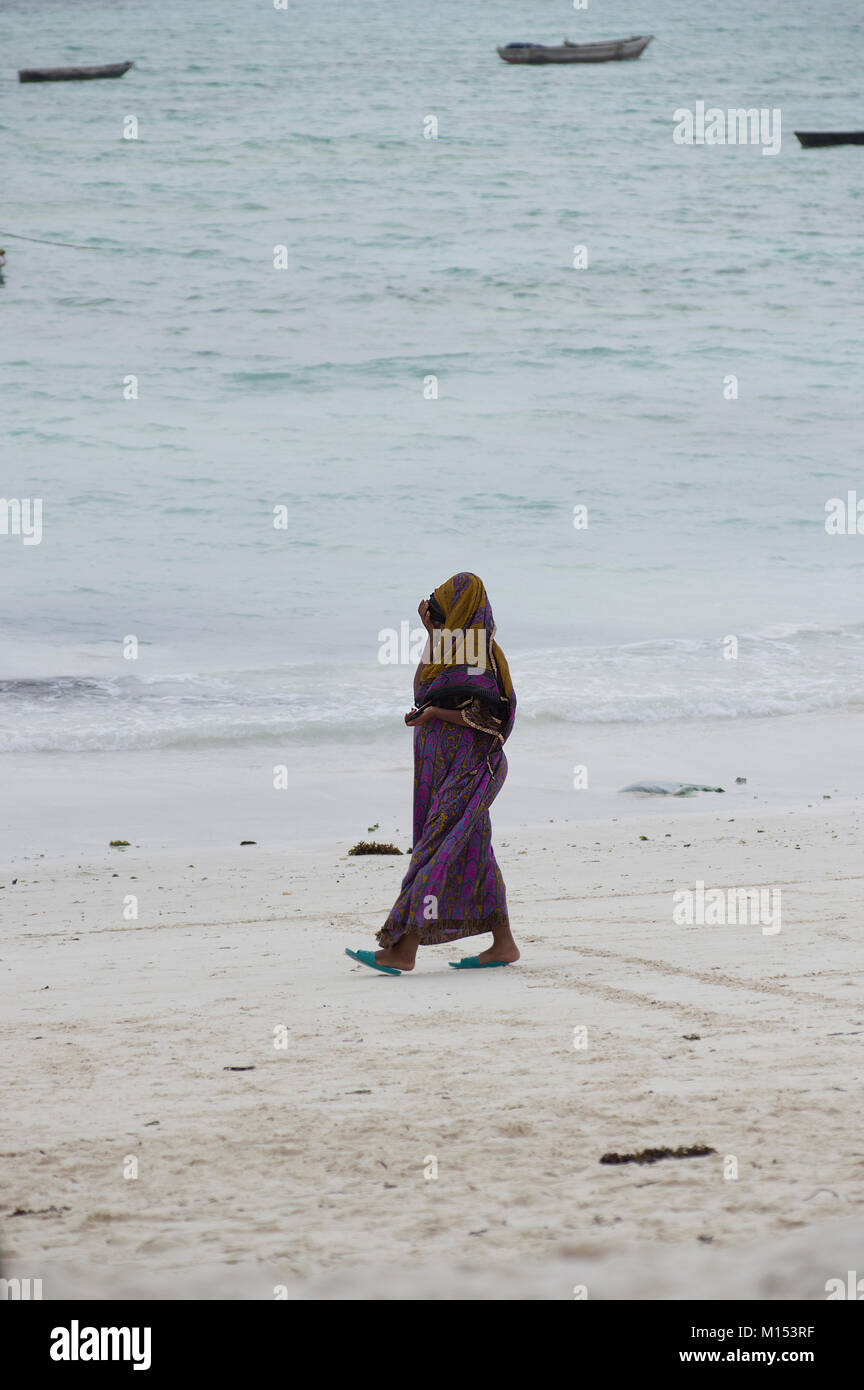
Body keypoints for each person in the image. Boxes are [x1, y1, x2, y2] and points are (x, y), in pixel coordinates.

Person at [346, 571, 519, 975]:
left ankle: (402, 948)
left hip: (471, 771)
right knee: (473, 851)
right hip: (442, 771)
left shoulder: (481, 654)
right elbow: (421, 689)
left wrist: (437, 714)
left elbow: (490, 718)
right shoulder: (453, 647)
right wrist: (430, 633)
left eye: (444, 602)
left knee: (433, 851)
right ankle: (504, 943)